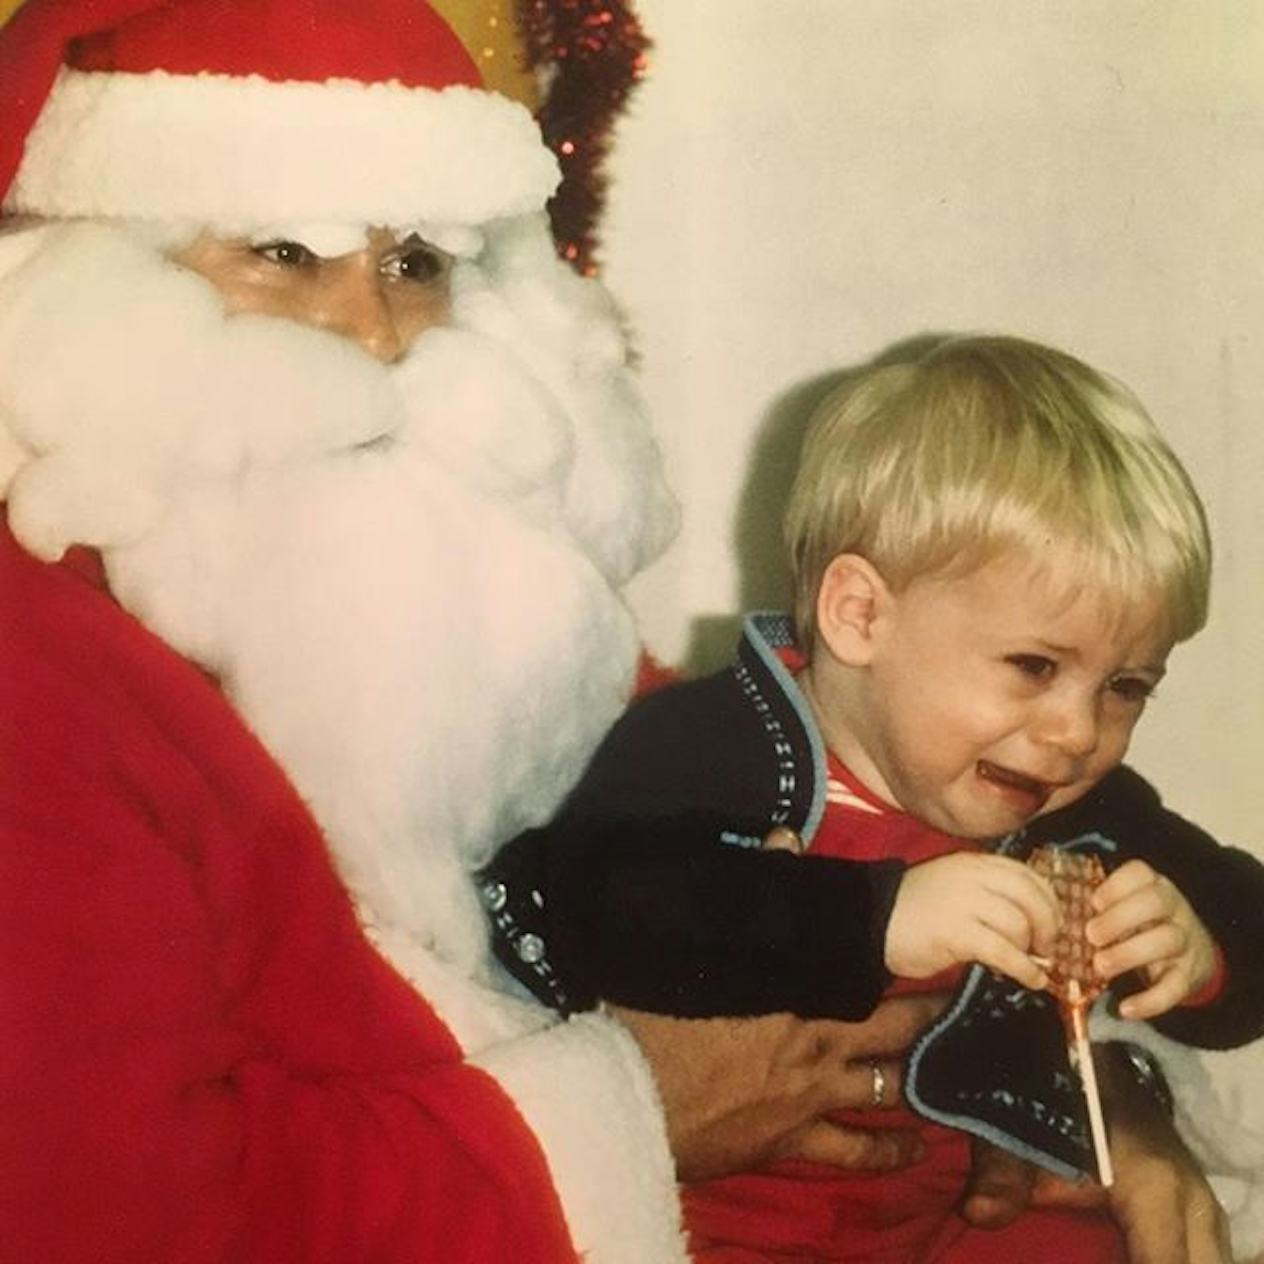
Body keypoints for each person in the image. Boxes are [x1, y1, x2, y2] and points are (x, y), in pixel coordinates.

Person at [0, 0, 1236, 1258]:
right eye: (282, 250)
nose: (374, 337)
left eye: (416, 264)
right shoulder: (37, 686)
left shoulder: (478, 617)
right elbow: (105, 1214)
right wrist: (633, 1110)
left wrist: (1108, 1111)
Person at [484, 336, 1264, 1260]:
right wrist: (875, 918)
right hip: (705, 1230)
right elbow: (608, 903)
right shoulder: (718, 745)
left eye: (1125, 687)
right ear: (859, 615)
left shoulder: (1069, 803)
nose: (1076, 732)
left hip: (952, 1217)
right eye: (1034, 666)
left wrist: (1203, 955)